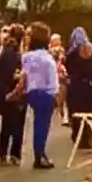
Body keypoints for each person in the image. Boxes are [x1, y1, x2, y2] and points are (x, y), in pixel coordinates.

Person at [18, 22, 59, 169]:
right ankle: (40, 155)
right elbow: (52, 79)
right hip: (46, 92)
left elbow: (25, 75)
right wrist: (56, 95)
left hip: (32, 91)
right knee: (43, 124)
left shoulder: (27, 57)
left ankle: (39, 153)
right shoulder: (47, 58)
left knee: (38, 123)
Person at [0, 24, 26, 165]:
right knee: (17, 124)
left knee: (6, 124)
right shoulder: (14, 53)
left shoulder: (6, 50)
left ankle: (3, 153)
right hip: (12, 91)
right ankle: (14, 154)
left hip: (3, 90)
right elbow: (12, 74)